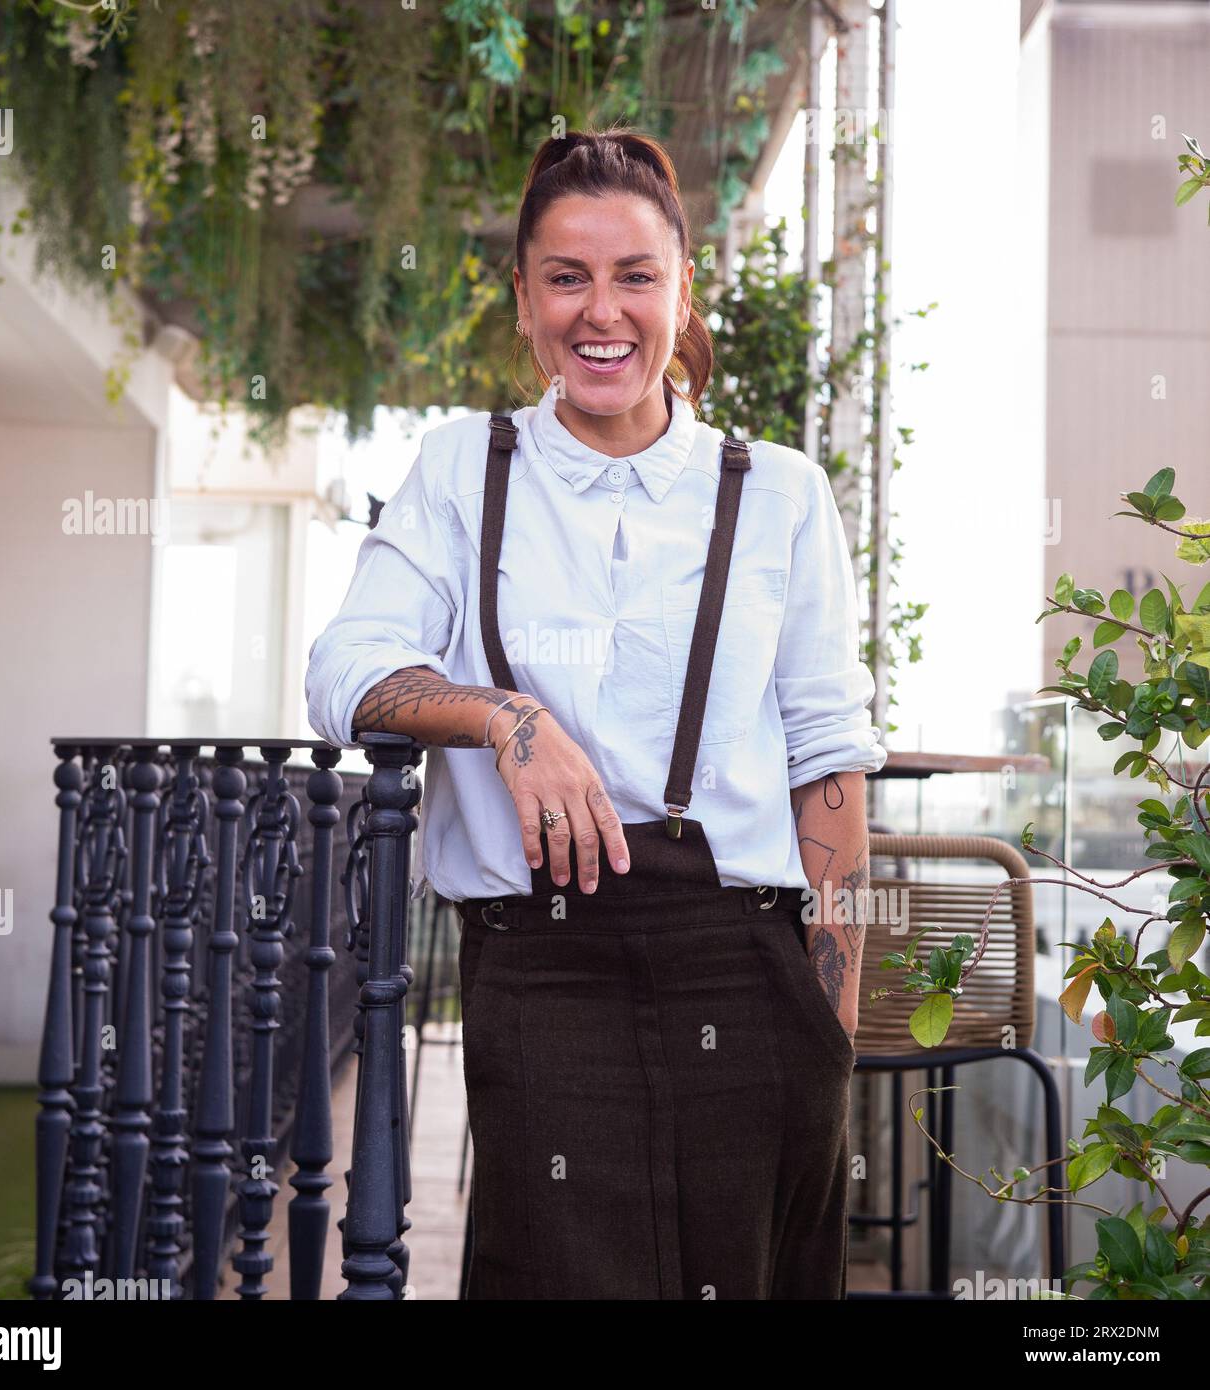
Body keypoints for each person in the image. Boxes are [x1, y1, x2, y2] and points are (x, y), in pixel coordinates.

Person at [305, 126, 887, 1300]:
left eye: (634, 275)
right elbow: (343, 670)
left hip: (747, 967)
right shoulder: (465, 468)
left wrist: (832, 1026)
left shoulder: (776, 493)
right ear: (521, 299)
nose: (600, 311)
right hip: (542, 964)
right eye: (565, 277)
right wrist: (504, 717)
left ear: (683, 289)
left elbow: (827, 761)